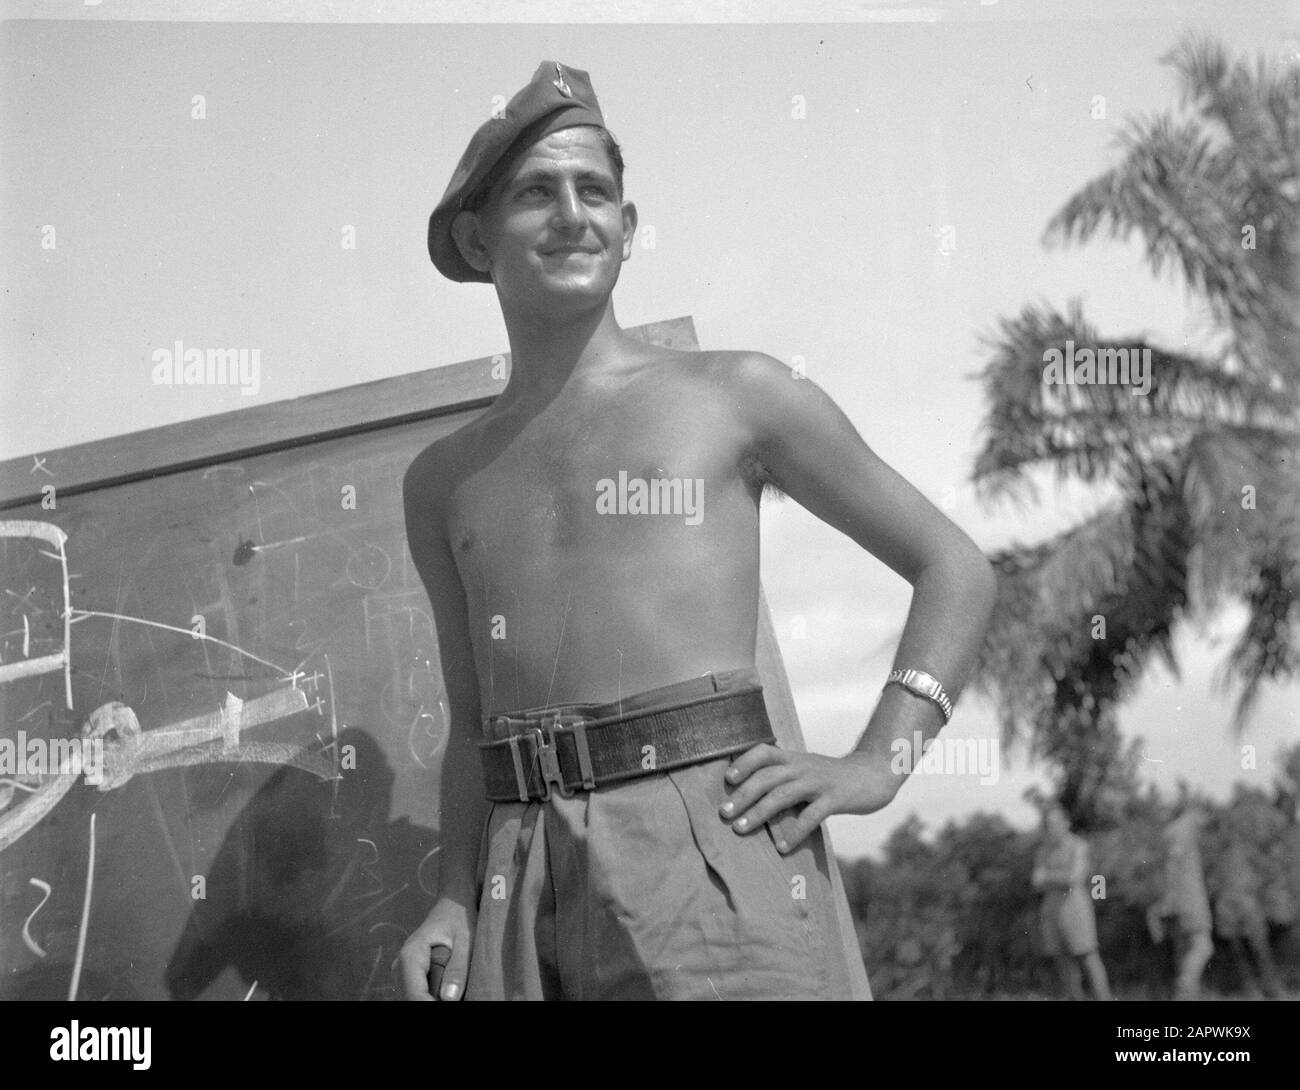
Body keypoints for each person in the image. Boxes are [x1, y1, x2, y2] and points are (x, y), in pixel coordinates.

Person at [398, 61, 998, 1000]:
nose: (572, 213)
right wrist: (456, 897)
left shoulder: (736, 396)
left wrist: (881, 760)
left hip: (710, 845)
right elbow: (472, 725)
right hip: (521, 868)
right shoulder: (441, 481)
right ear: (477, 237)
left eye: (595, 190)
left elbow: (954, 566)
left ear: (628, 230)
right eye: (535, 192)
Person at [1032, 803, 1111, 1000]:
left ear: (1066, 823)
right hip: (1051, 911)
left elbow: (1074, 878)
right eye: (1048, 824)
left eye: (1056, 823)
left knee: (1088, 957)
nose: (1052, 828)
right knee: (1062, 962)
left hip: (1075, 908)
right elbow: (1036, 882)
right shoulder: (1042, 852)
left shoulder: (1079, 846)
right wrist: (1060, 877)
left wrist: (1049, 877)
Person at [1145, 804, 1214, 1000]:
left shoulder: (1170, 832)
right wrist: (1172, 896)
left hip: (1177, 900)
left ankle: (1188, 994)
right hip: (1190, 899)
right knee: (1203, 947)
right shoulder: (1185, 830)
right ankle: (1184, 988)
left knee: (1183, 952)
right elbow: (1174, 864)